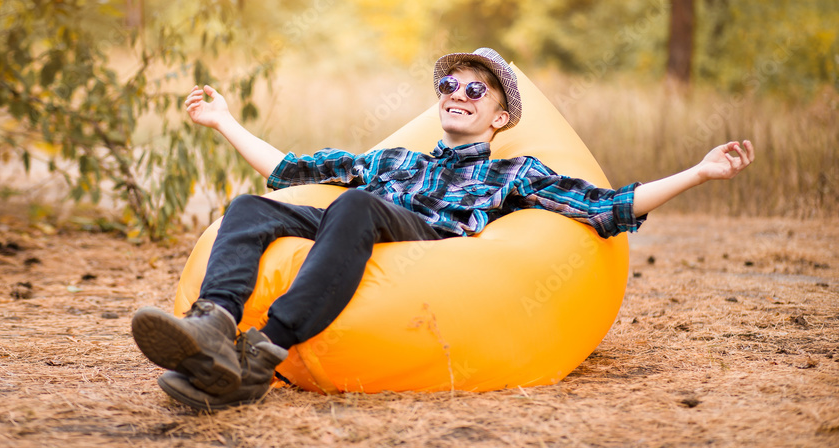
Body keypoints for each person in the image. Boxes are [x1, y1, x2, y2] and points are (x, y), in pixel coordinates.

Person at [131, 48, 755, 410]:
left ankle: (261, 353)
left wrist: (697, 173)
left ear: (501, 115)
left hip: (424, 240)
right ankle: (213, 329)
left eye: (474, 90)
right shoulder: (390, 161)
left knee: (355, 208)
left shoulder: (516, 173)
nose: (457, 94)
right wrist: (224, 123)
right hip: (356, 222)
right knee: (250, 208)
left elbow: (611, 206)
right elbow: (290, 169)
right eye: (447, 86)